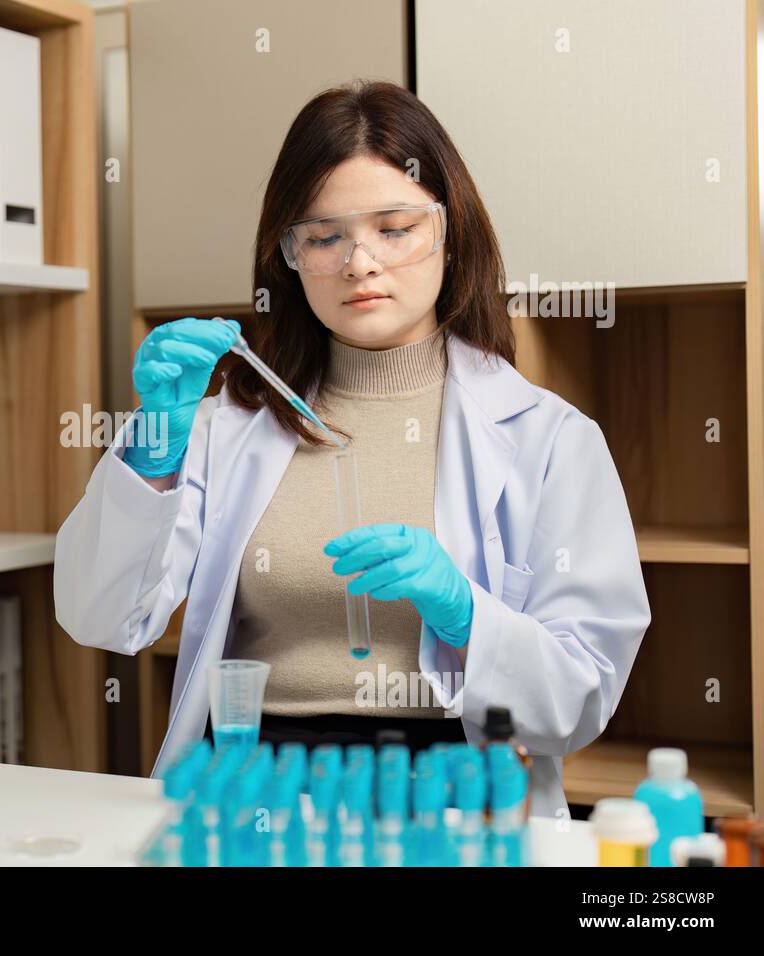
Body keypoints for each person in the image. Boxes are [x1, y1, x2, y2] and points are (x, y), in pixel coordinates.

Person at [53, 80, 650, 818]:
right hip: (254, 797)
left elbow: (578, 705)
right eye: (325, 236)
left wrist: (468, 614)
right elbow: (100, 617)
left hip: (448, 802)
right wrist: (153, 449)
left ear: (448, 232)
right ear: (290, 256)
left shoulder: (548, 439)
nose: (359, 263)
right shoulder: (225, 427)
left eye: (394, 227)